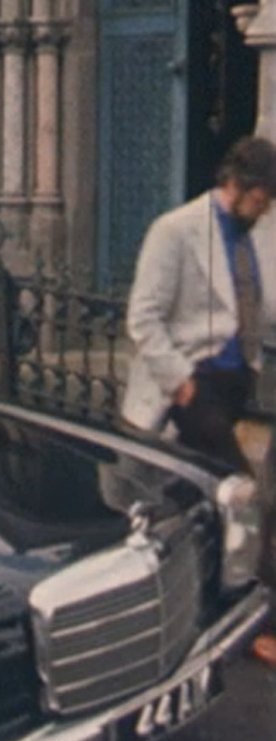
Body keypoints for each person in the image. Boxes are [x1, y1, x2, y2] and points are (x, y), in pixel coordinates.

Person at [120, 137, 276, 666]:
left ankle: (198, 600)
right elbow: (143, 316)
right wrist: (180, 381)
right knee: (247, 497)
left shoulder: (256, 233)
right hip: (190, 386)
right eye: (264, 198)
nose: (268, 209)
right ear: (240, 186)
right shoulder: (177, 230)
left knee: (199, 501)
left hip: (235, 383)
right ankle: (262, 617)